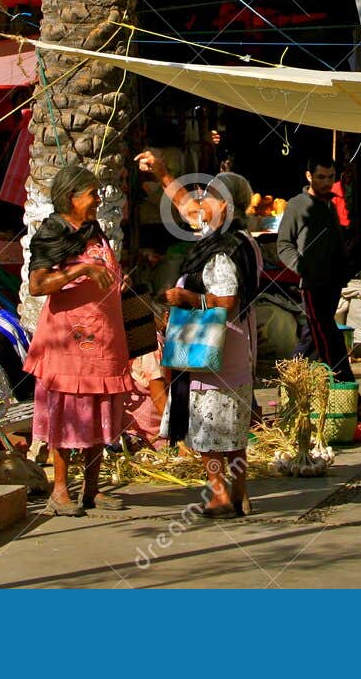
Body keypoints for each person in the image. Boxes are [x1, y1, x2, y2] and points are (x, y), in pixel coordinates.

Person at [138, 150, 261, 518]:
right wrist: (162, 173)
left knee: (208, 425)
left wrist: (187, 297)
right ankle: (239, 491)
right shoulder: (239, 239)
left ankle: (219, 493)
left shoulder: (223, 250)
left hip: (215, 346)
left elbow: (224, 301)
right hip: (238, 347)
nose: (199, 203)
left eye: (209, 197)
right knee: (233, 423)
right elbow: (185, 205)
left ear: (225, 205)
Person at [24, 164, 134, 516]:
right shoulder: (53, 231)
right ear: (71, 197)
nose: (97, 199)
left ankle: (91, 489)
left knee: (98, 412)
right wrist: (82, 269)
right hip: (69, 342)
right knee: (68, 414)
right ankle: (60, 490)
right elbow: (38, 285)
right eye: (91, 194)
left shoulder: (92, 229)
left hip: (103, 341)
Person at [276, 155, 355, 386]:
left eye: (331, 177)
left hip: (333, 282)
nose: (327, 182)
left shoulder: (330, 204)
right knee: (329, 338)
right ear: (309, 176)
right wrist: (303, 267)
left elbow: (338, 243)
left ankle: (290, 386)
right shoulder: (297, 205)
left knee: (312, 337)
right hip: (313, 284)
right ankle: (345, 388)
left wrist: (345, 266)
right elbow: (283, 245)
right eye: (321, 177)